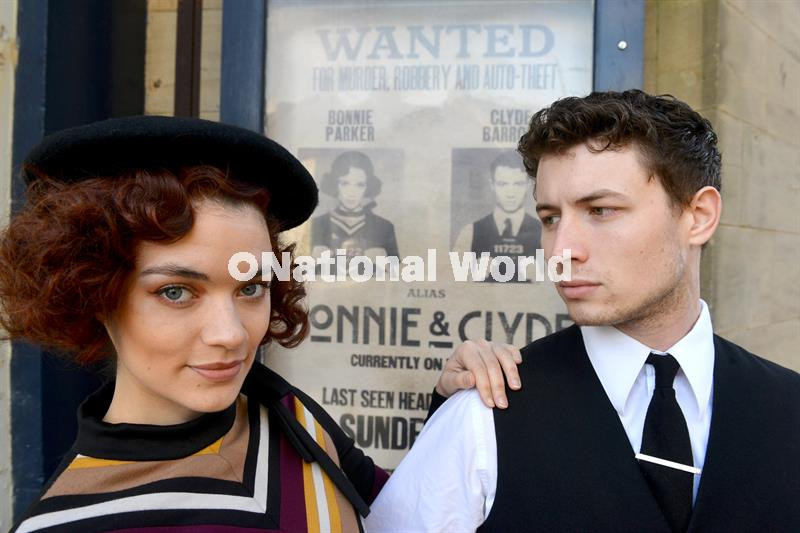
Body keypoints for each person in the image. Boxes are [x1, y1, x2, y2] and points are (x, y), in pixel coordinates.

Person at [3, 116, 520, 532]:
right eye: (176, 292)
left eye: (250, 288)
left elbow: (398, 511)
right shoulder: (74, 519)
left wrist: (449, 405)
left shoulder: (285, 411)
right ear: (95, 294)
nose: (230, 333)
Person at [367, 90, 800, 532]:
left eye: (601, 210)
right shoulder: (482, 417)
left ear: (699, 216)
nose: (563, 250)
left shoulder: (789, 408)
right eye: (551, 218)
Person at [453, 151, 541, 281]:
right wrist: (471, 274)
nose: (510, 194)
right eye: (503, 184)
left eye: (518, 184)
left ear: (528, 185)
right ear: (492, 185)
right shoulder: (469, 233)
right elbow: (449, 283)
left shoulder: (544, 233)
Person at [311, 151, 399, 260]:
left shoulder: (385, 227)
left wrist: (386, 264)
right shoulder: (315, 225)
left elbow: (399, 274)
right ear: (334, 184)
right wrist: (308, 261)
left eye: (360, 185)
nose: (352, 192)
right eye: (344, 183)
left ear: (368, 187)